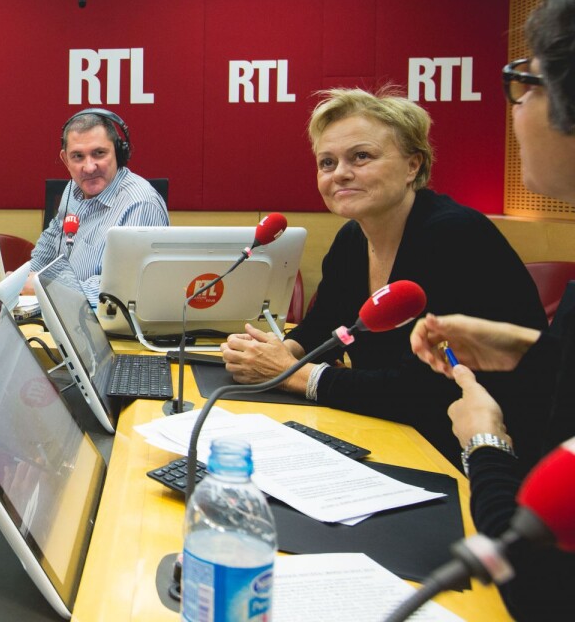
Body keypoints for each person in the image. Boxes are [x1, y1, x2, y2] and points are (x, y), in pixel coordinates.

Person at [219, 88, 549, 467]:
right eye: (327, 163)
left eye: (361, 156)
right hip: (401, 435)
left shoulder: (454, 236)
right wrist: (271, 354)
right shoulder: (352, 238)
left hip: (484, 457)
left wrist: (292, 375)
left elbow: (422, 391)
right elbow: (321, 329)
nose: (340, 173)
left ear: (413, 166)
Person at [410, 0, 575, 620]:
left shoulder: (453, 232)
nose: (518, 105)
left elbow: (538, 581)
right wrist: (528, 347)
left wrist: (486, 445)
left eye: (525, 82)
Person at [25, 108, 168, 305]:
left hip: (115, 324)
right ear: (65, 159)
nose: (89, 167)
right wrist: (22, 280)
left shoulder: (140, 204)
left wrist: (46, 287)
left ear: (119, 153)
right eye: (78, 156)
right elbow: (50, 243)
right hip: (68, 311)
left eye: (99, 153)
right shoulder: (73, 189)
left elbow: (122, 287)